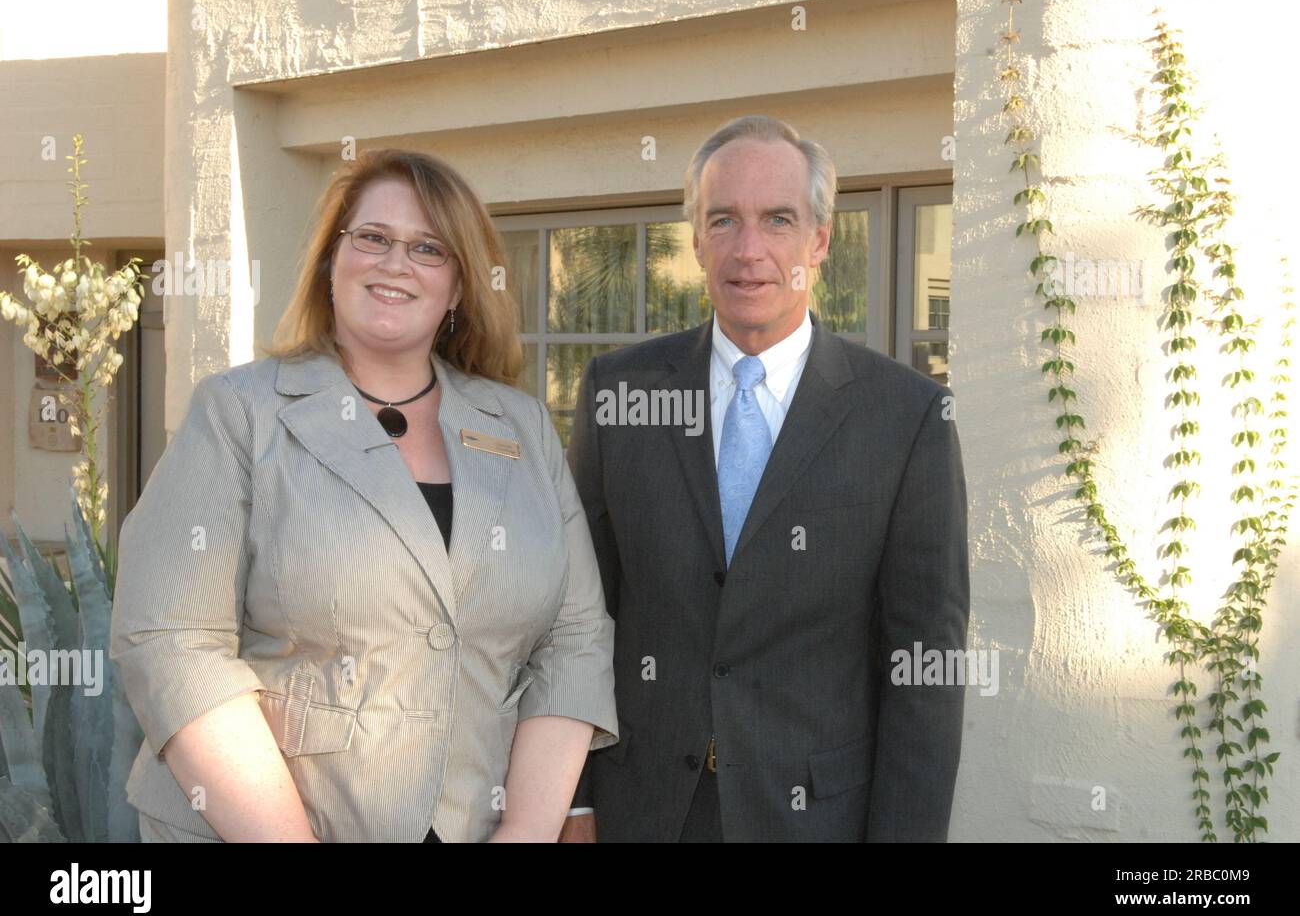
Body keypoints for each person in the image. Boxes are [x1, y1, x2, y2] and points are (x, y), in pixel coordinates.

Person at [110, 149, 617, 843]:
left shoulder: (521, 425)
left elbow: (575, 640)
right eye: (371, 237)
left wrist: (525, 832)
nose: (394, 262)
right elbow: (171, 640)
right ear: (331, 259)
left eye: (427, 248)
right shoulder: (238, 413)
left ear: (461, 286)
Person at [560, 116, 969, 842]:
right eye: (724, 220)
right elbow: (580, 620)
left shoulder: (906, 418)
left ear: (819, 239)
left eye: (778, 219)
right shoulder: (618, 394)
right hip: (640, 814)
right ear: (695, 240)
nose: (749, 251)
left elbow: (923, 664)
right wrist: (576, 801)